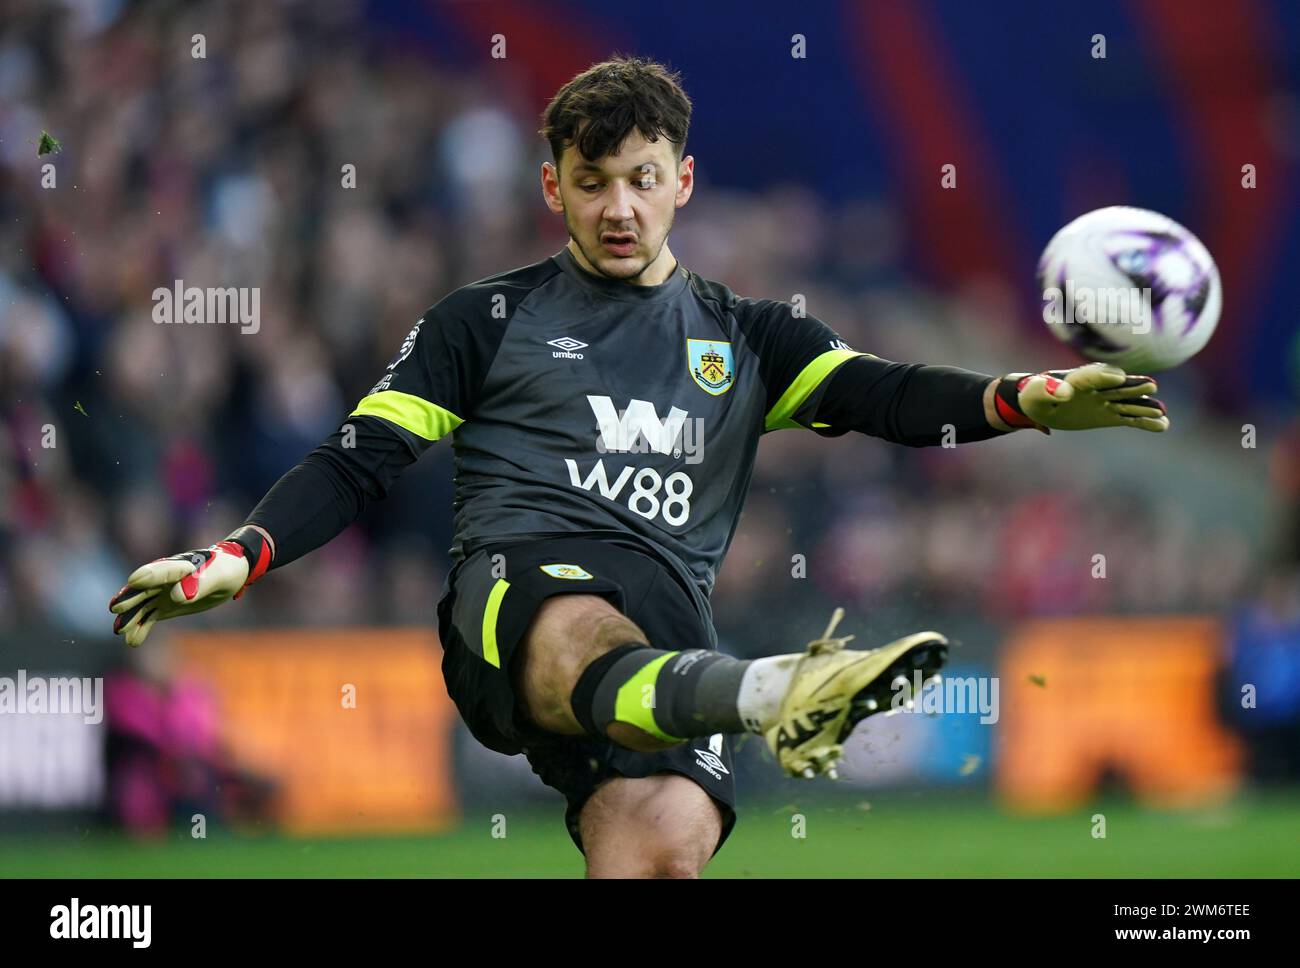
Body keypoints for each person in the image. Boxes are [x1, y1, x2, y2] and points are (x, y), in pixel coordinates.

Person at [110, 56, 1169, 878]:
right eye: (593, 181)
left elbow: (885, 394)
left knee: (661, 850)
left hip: (673, 642)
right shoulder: (482, 320)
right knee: (584, 632)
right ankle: (786, 690)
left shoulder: (748, 336)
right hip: (520, 593)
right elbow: (356, 463)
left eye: (642, 180)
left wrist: (1025, 399)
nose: (619, 207)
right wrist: (233, 557)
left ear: (683, 183)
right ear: (554, 188)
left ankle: (752, 691)